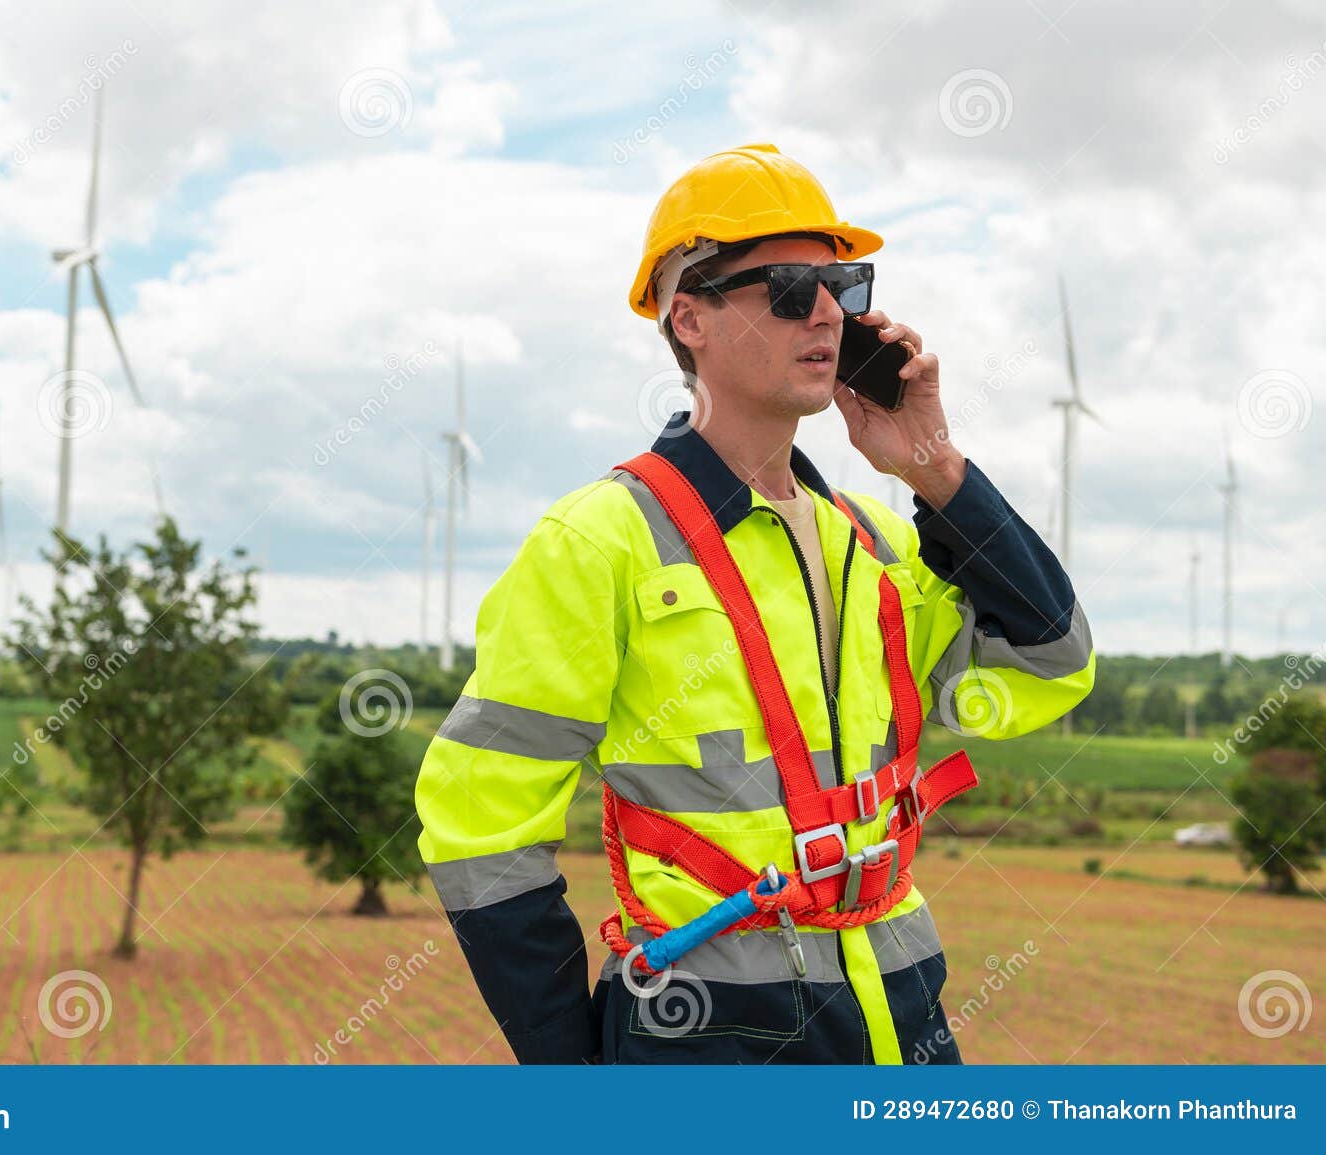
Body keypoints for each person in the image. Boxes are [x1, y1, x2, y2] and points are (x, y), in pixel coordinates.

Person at [414, 144, 1094, 1064]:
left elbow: (1051, 661)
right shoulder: (599, 541)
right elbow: (477, 823)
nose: (826, 312)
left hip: (903, 1020)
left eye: (843, 285)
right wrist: (567, 1064)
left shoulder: (878, 543)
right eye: (786, 286)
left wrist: (935, 471)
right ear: (686, 317)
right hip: (707, 1036)